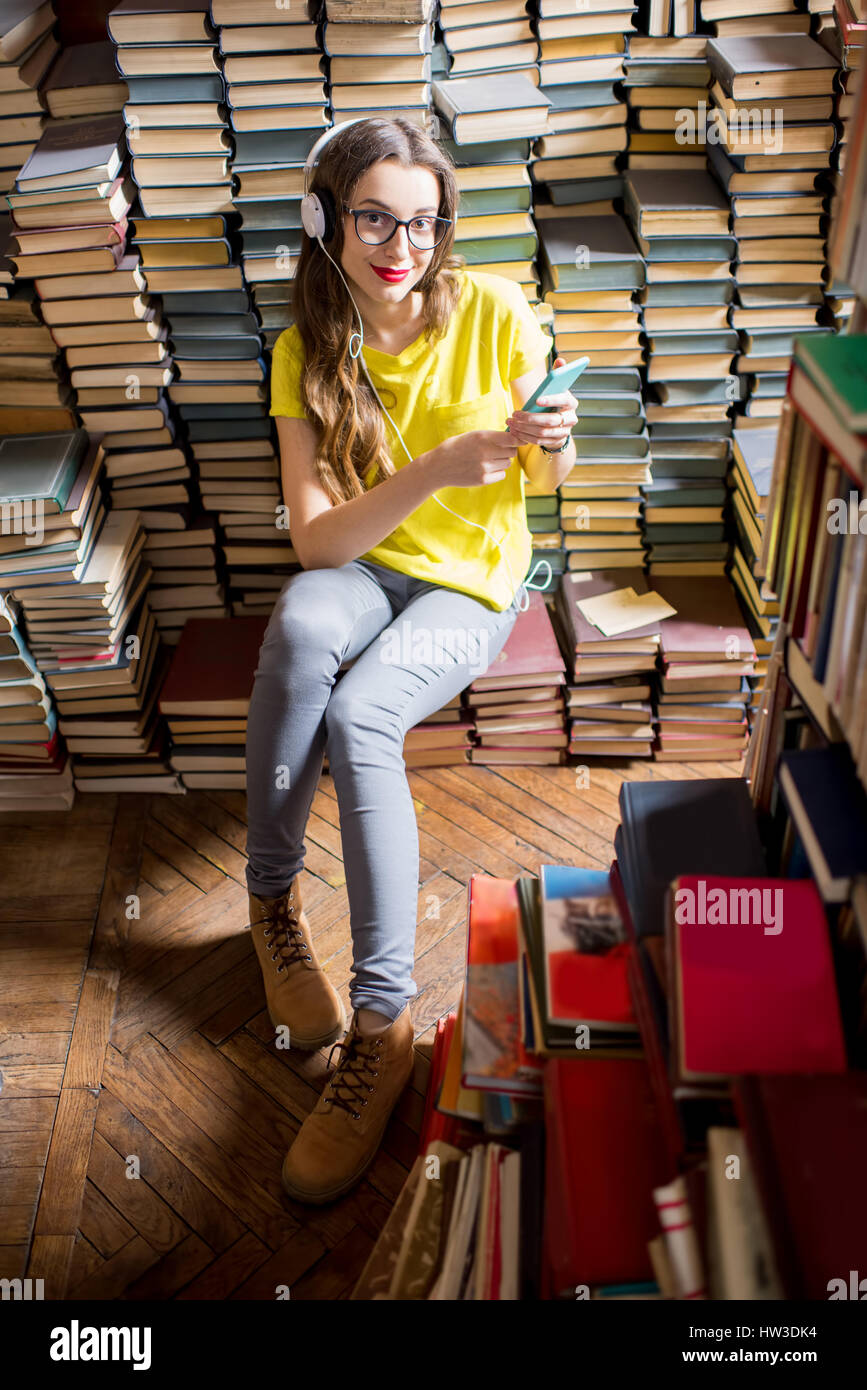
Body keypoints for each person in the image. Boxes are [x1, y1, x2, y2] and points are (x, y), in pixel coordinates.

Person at [244, 117, 579, 1205]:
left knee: (363, 718)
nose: (403, 246)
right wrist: (434, 467)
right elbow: (317, 542)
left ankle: (380, 1028)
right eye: (377, 218)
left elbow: (555, 486)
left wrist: (560, 442)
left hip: (466, 583)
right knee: (300, 621)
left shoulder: (494, 310)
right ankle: (273, 910)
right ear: (326, 222)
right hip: (366, 566)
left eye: (424, 222)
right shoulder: (305, 348)